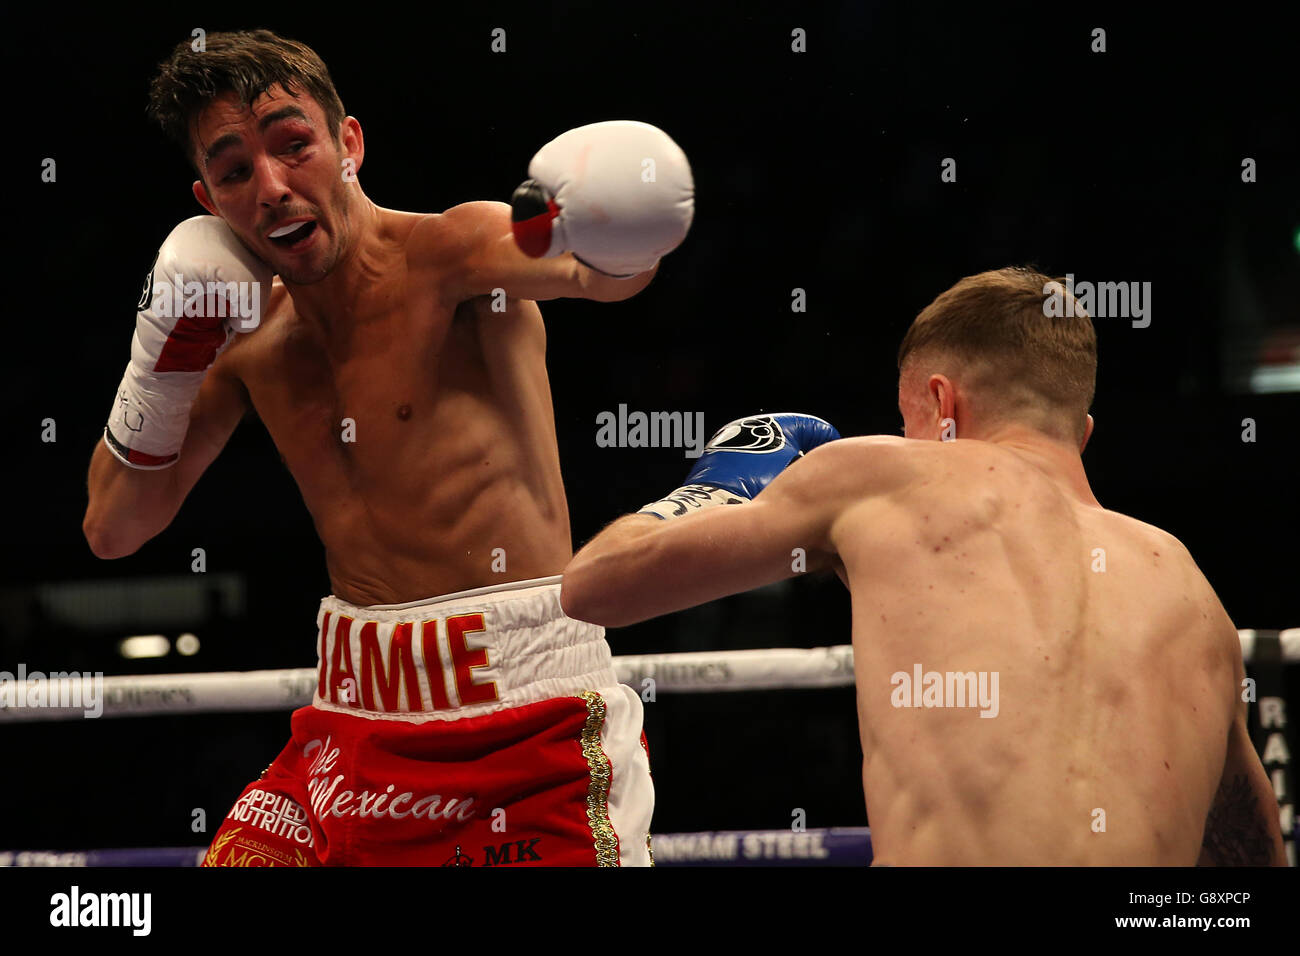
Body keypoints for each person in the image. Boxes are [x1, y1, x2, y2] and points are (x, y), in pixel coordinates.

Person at [82, 28, 693, 867]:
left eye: (294, 147)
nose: (271, 188)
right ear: (208, 199)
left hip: (520, 715)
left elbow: (602, 274)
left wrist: (615, 214)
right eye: (233, 172)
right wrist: (162, 361)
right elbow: (115, 528)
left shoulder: (449, 256)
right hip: (352, 722)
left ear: (349, 144)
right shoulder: (243, 346)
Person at [560, 266, 1287, 866]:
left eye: (909, 419)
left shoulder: (884, 476)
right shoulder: (1190, 589)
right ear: (1083, 430)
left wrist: (714, 489)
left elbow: (595, 587)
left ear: (942, 403)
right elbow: (1250, 859)